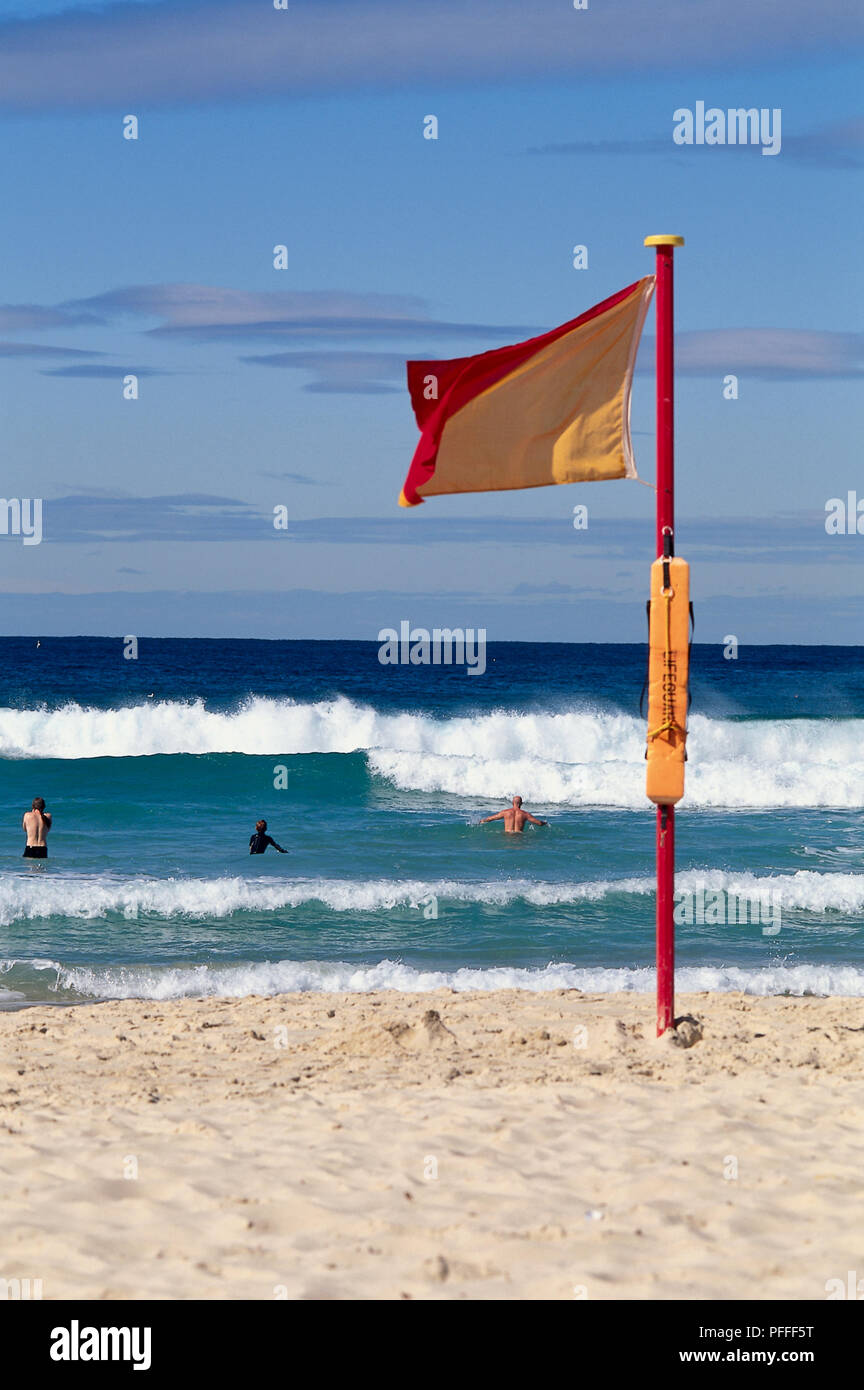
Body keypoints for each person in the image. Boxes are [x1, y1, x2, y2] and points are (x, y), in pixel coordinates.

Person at [480, 795, 547, 834]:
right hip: (518, 836)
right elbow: (539, 823)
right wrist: (545, 823)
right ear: (521, 804)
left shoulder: (505, 812)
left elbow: (491, 818)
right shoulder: (525, 814)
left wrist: (482, 820)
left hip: (507, 836)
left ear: (512, 803)